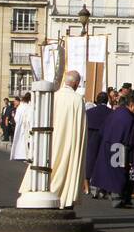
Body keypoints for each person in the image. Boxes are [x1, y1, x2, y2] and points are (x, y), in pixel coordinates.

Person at [22, 71, 88, 209]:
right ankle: (64, 196)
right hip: (69, 142)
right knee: (66, 165)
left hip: (50, 141)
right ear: (76, 84)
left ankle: (39, 189)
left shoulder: (54, 96)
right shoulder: (77, 100)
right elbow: (81, 129)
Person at [91, 95, 134, 207]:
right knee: (118, 173)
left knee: (106, 170)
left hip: (107, 143)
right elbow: (129, 137)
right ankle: (117, 197)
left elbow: (102, 129)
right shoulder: (128, 118)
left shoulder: (115, 113)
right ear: (131, 105)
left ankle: (101, 190)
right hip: (119, 147)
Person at [84, 92, 111, 196]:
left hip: (91, 138)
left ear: (97, 100)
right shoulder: (111, 112)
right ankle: (102, 188)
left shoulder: (89, 112)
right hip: (106, 138)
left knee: (90, 161)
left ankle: (88, 187)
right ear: (107, 100)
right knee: (104, 162)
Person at [9, 93, 33, 163]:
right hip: (28, 126)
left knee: (21, 141)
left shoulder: (21, 106)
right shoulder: (30, 106)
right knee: (28, 141)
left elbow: (16, 118)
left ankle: (21, 154)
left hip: (21, 126)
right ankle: (28, 155)